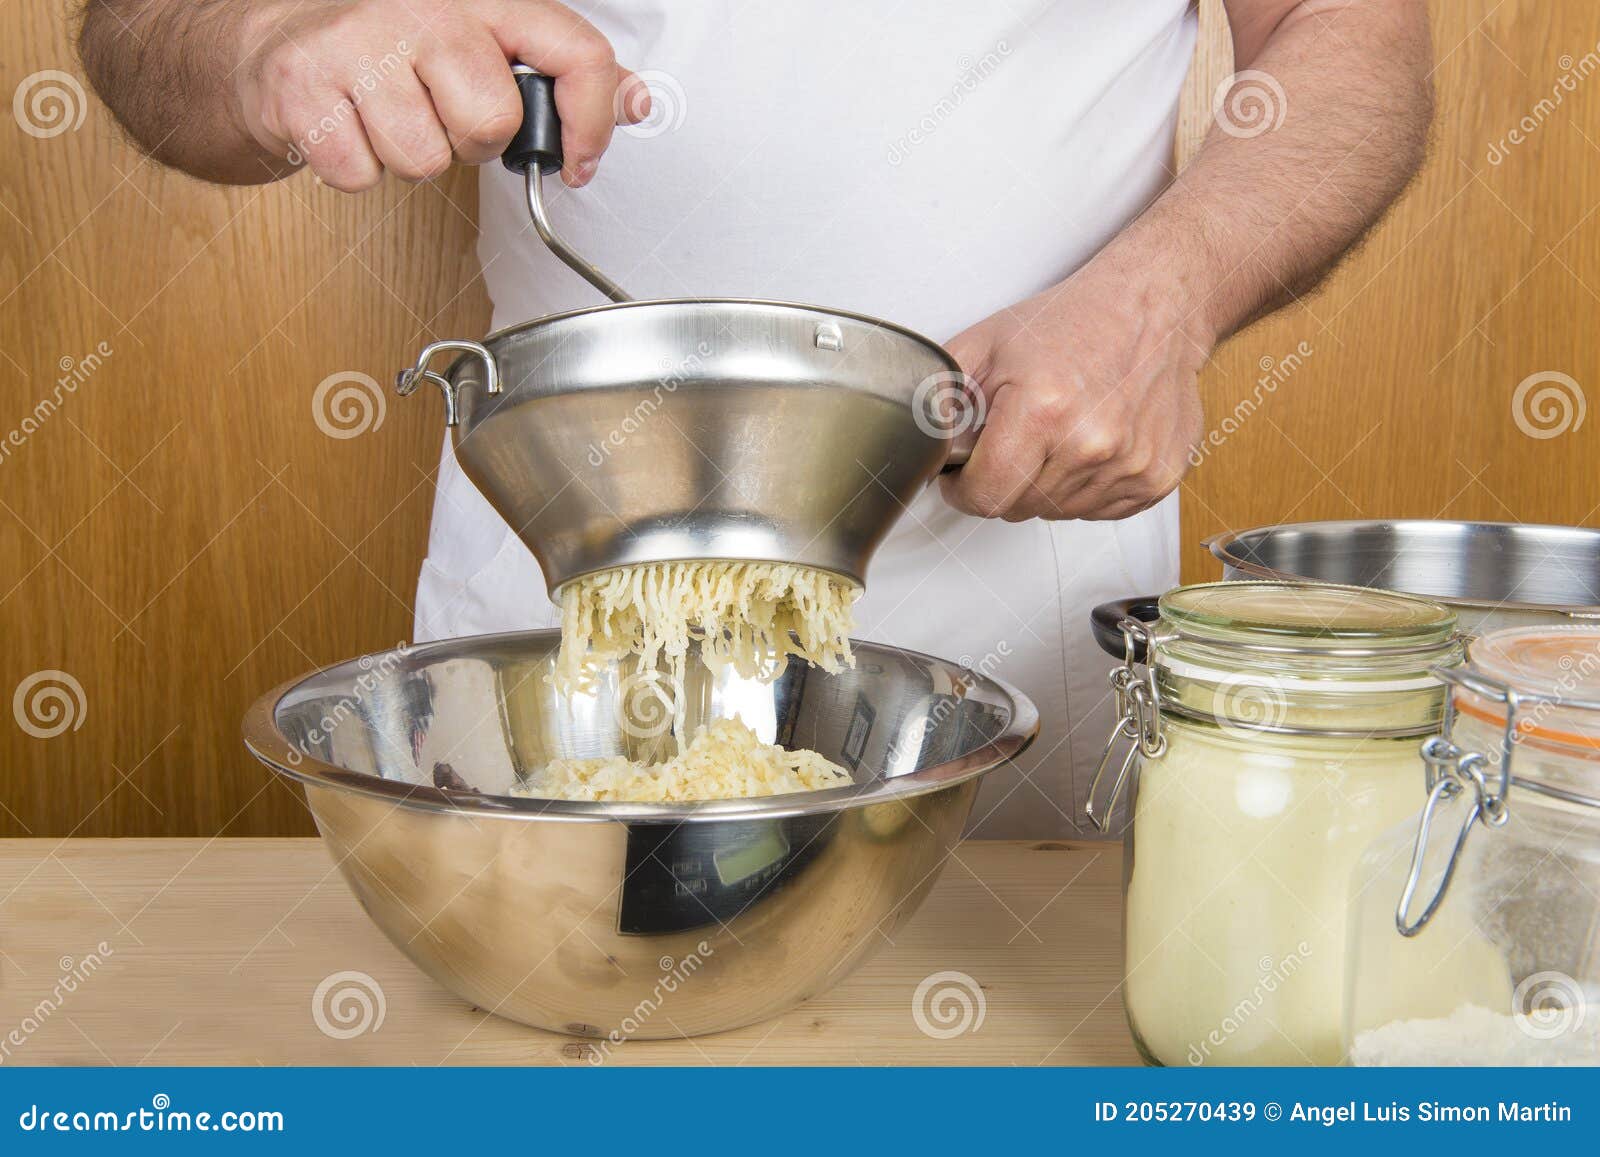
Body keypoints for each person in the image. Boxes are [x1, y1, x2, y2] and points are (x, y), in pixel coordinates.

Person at [78, 0, 1433, 836]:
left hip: (1019, 630)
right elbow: (152, 27)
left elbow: (1349, 27)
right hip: (557, 649)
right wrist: (270, 41)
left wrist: (1169, 294)